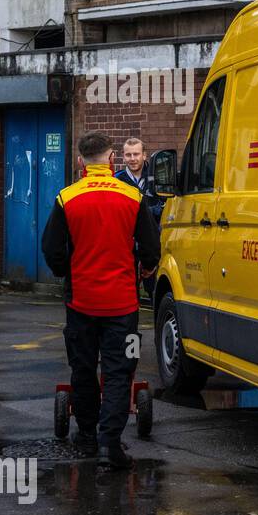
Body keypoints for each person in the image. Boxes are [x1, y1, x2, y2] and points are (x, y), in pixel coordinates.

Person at [42, 133, 161, 468]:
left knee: (82, 368)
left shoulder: (67, 198)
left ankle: (86, 437)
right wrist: (145, 269)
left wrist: (68, 271)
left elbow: (51, 249)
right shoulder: (132, 196)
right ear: (112, 160)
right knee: (120, 371)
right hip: (123, 305)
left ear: (81, 162)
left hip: (81, 303)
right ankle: (111, 443)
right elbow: (151, 248)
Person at [114, 137, 163, 303]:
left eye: (136, 154)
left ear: (144, 155)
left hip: (153, 241)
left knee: (155, 290)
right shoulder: (116, 180)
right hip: (126, 244)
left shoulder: (159, 178)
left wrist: (146, 212)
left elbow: (165, 205)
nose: (132, 159)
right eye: (128, 155)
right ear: (123, 156)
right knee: (127, 292)